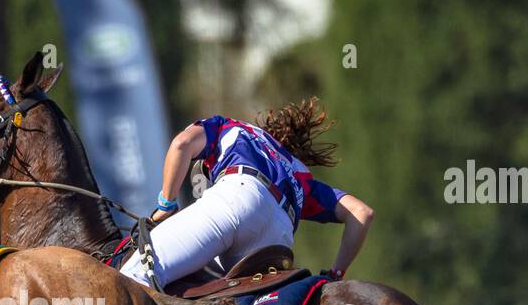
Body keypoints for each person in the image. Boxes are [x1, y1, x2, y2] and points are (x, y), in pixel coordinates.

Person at [119, 98, 374, 290]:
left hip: (238, 197)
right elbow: (362, 213)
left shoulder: (228, 127)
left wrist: (166, 204)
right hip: (277, 239)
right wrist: (335, 275)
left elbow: (181, 145)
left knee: (135, 275)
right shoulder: (300, 177)